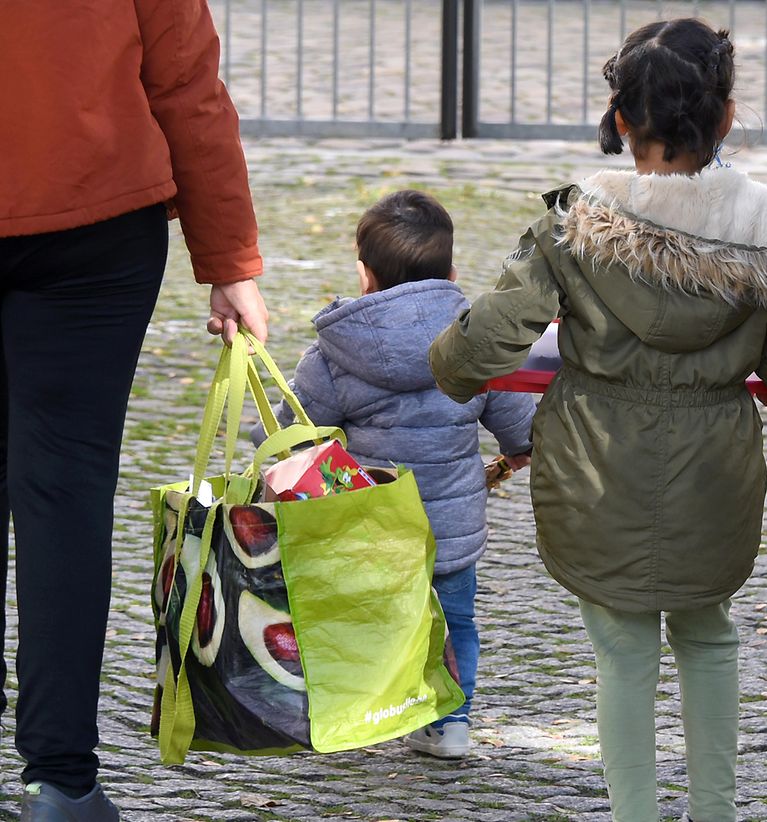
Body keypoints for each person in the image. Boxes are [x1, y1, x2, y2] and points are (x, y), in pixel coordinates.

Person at [429, 19, 767, 821]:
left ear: (622, 119)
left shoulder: (574, 223)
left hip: (596, 460)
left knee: (620, 652)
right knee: (708, 633)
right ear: (723, 116)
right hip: (714, 461)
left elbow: (483, 343)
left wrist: (448, 364)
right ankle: (713, 812)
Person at [0, 1, 268, 819]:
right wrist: (228, 258)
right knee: (66, 495)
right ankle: (63, 782)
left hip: (92, 221)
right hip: (94, 217)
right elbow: (185, 80)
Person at [250, 190, 536, 759]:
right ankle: (450, 724)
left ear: (364, 275)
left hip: (366, 527)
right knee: (454, 624)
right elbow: (522, 429)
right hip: (449, 529)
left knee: (362, 619)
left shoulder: (333, 355)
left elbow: (290, 438)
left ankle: (359, 710)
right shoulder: (476, 344)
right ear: (451, 271)